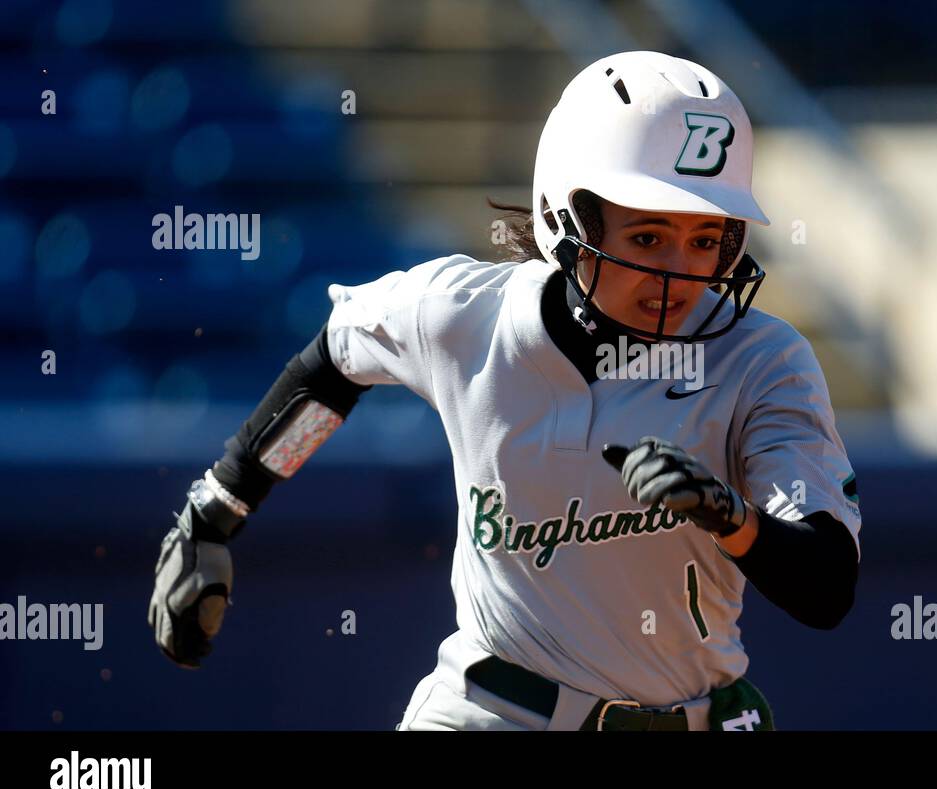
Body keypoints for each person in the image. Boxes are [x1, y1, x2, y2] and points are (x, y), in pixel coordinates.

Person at [148, 51, 861, 731]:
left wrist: (731, 516)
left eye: (706, 241)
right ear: (570, 219)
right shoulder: (461, 315)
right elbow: (332, 367)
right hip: (490, 709)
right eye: (648, 238)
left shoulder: (761, 359)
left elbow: (826, 587)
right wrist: (214, 512)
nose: (681, 273)